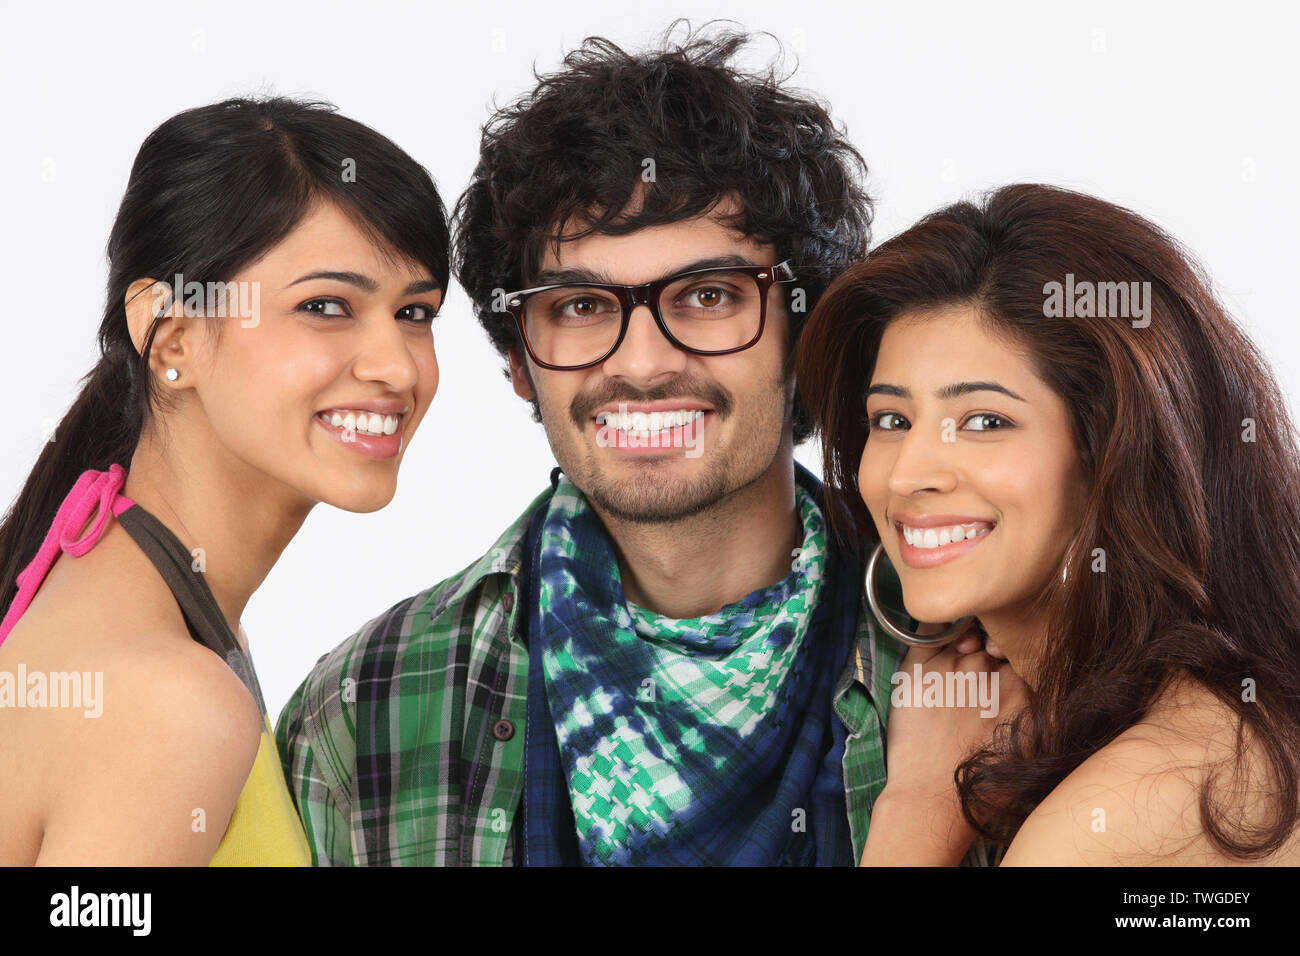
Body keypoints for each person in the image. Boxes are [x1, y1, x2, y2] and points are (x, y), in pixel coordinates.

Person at [276, 22, 996, 867]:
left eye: (708, 295)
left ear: (805, 336)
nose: (643, 363)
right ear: (518, 361)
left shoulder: (982, 667)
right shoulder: (366, 709)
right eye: (580, 307)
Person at [0, 96, 449, 865]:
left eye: (414, 312)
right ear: (172, 338)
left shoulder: (158, 602)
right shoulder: (169, 703)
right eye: (326, 306)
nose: (396, 366)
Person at [795, 182, 1300, 865]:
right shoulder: (1201, 720)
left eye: (984, 421)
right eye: (891, 420)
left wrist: (919, 806)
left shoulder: (1120, 817)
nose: (908, 472)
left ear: (1114, 454)